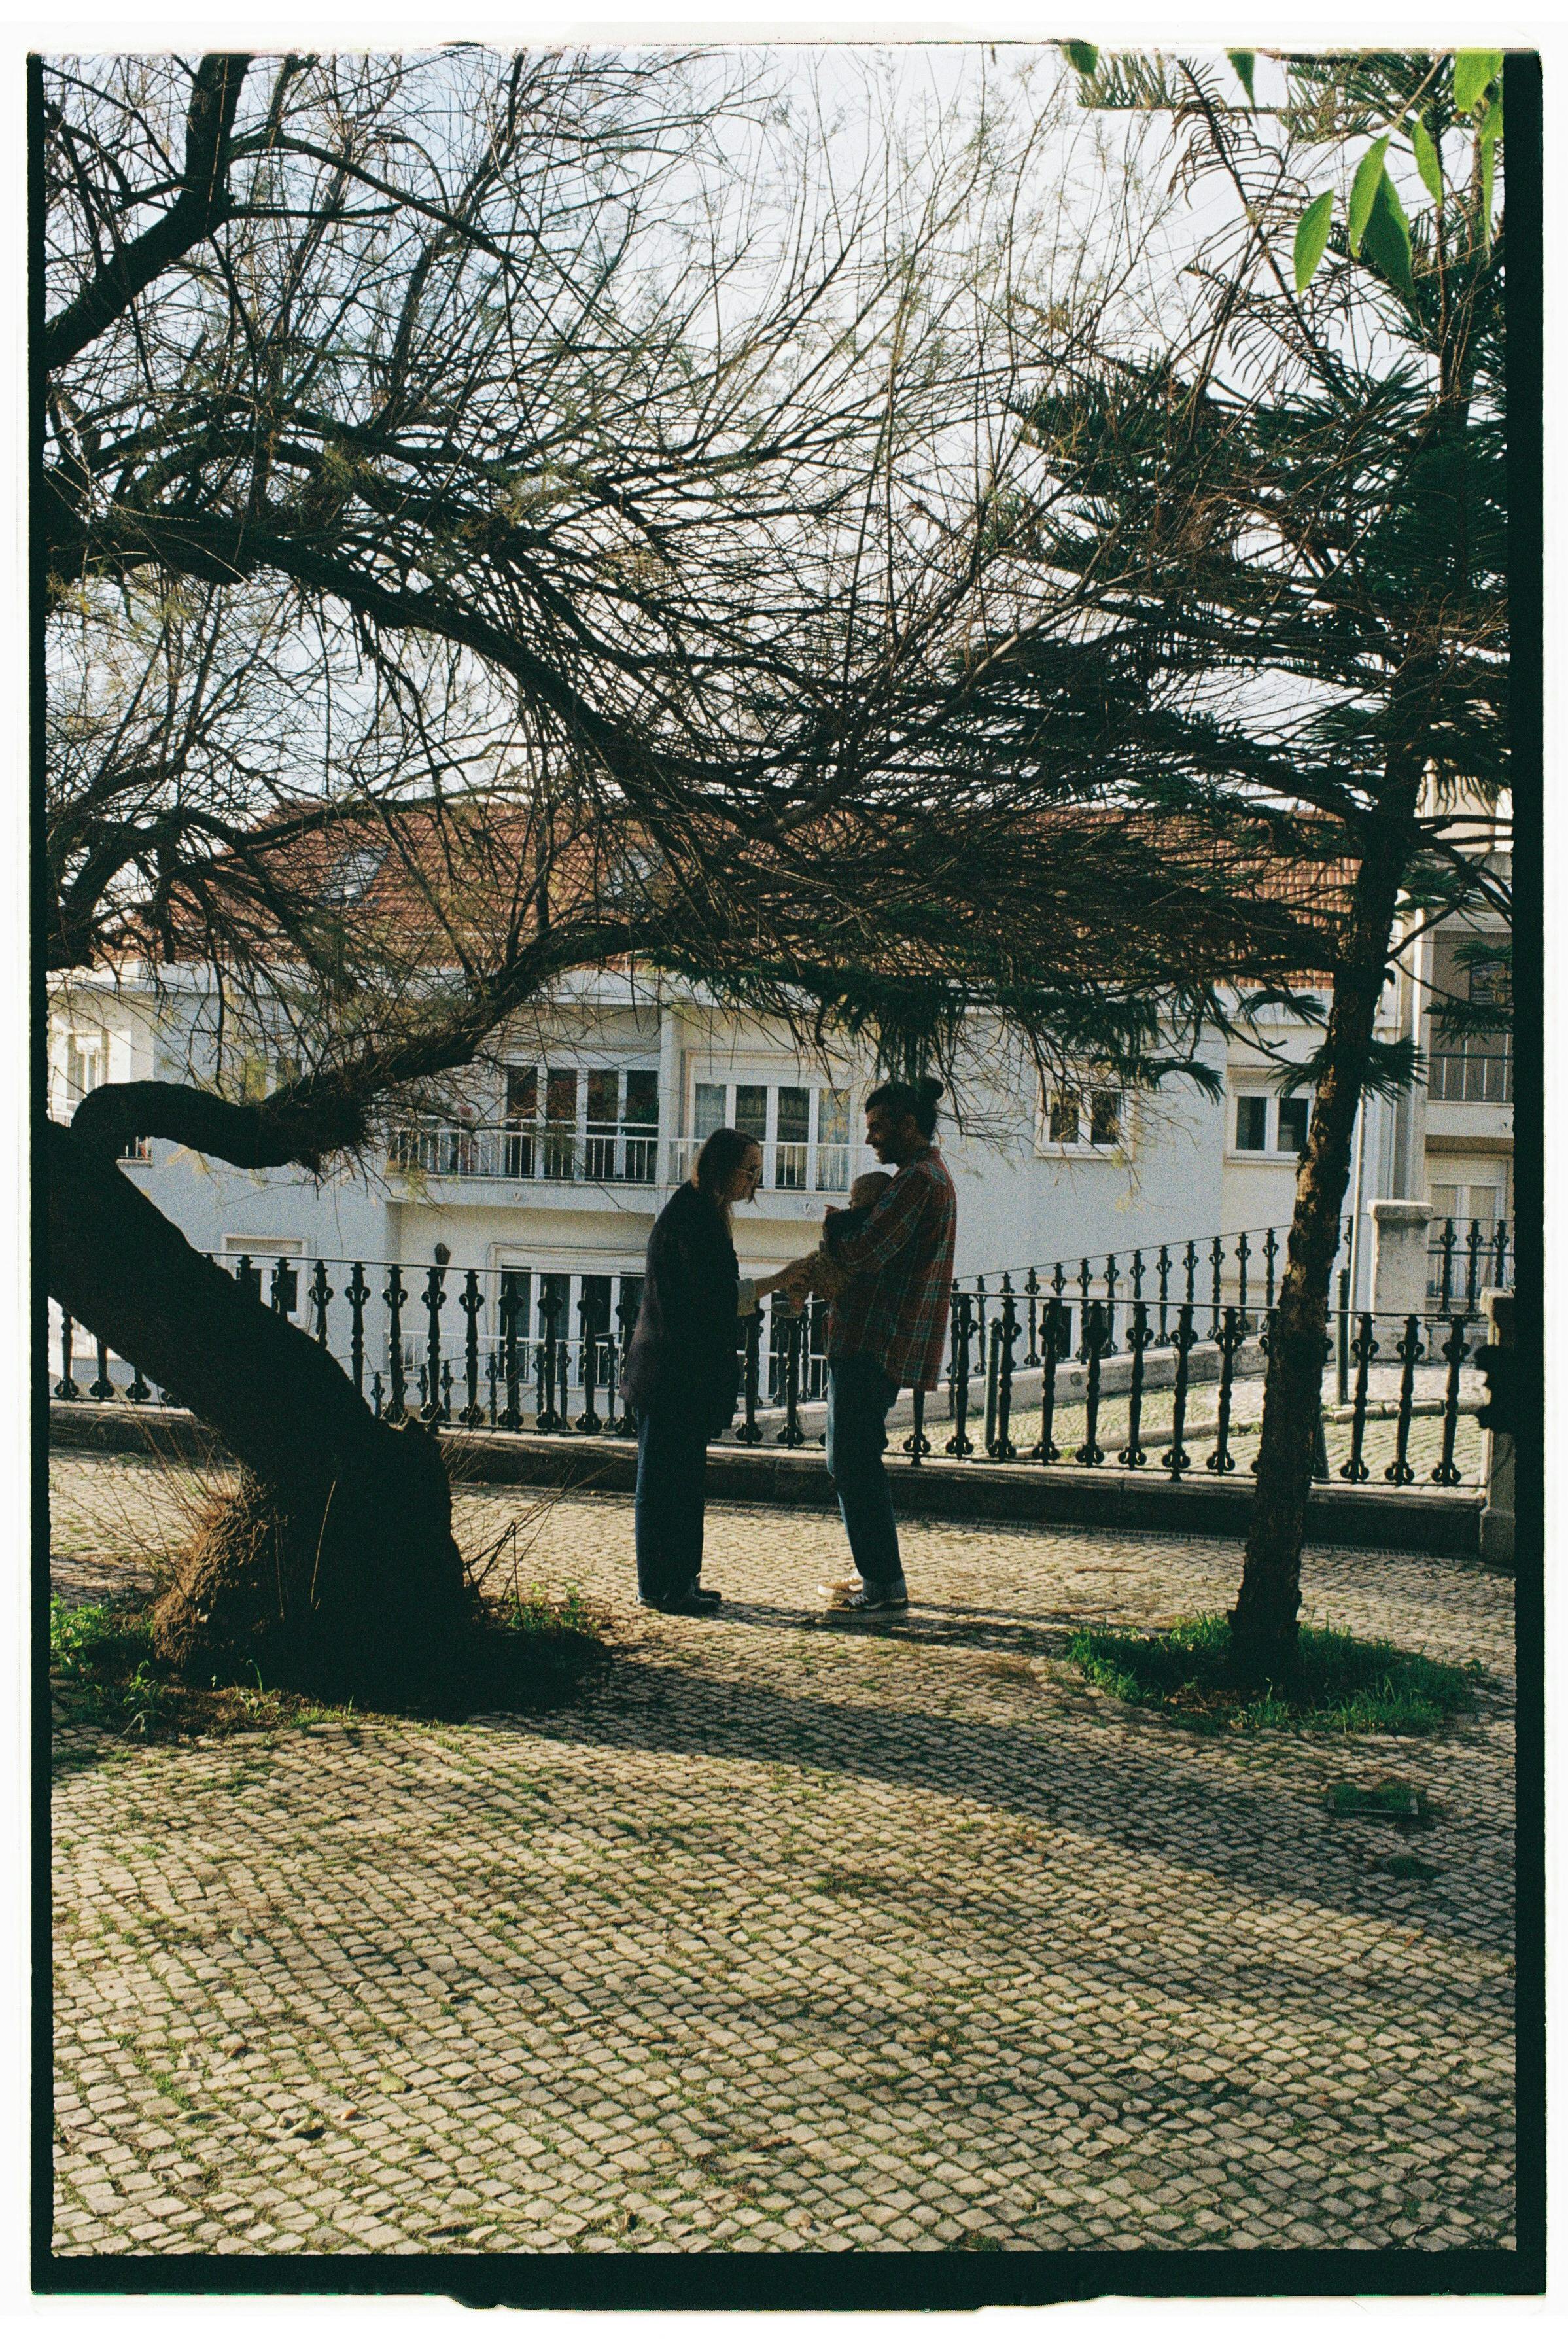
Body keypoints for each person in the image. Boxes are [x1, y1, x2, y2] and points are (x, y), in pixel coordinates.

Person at [619, 1127, 801, 1615]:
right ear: (724, 1167)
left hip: (676, 1372)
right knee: (665, 1485)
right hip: (668, 1373)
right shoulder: (694, 1218)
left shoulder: (700, 1211)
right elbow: (717, 1298)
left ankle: (679, 1578)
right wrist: (781, 1279)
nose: (755, 1183)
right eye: (750, 1170)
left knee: (679, 1481)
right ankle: (662, 1584)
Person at [807, 1077, 957, 1613]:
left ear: (907, 1125)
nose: (870, 1139)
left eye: (877, 1127)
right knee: (849, 1457)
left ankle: (883, 1583)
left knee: (849, 1459)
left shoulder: (917, 1181)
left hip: (874, 1338)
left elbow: (865, 1252)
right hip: (878, 1337)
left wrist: (835, 1224)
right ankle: (874, 1567)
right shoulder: (921, 1178)